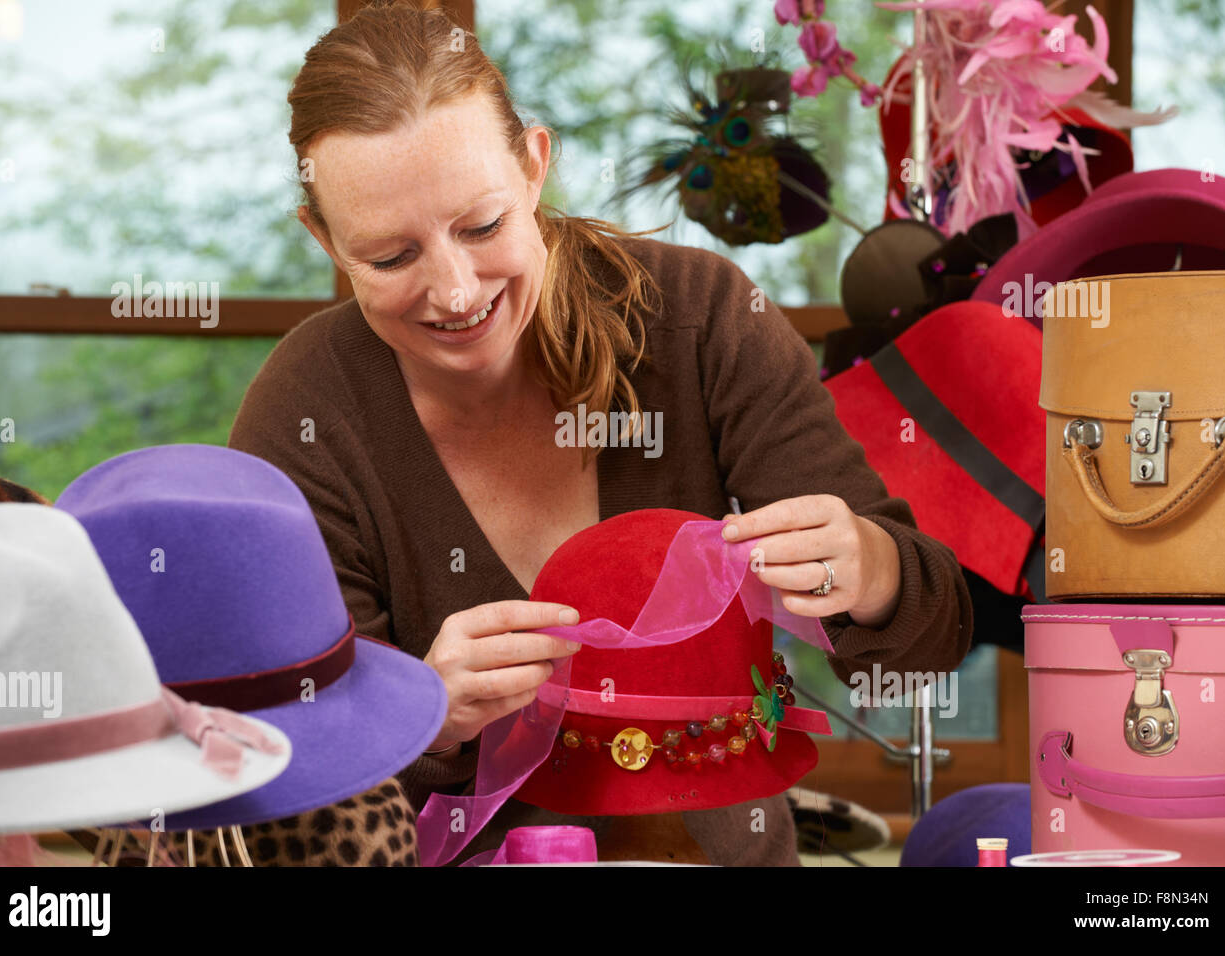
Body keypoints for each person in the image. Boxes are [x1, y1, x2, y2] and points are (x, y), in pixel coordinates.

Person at [228, 0, 973, 866]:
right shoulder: (308, 410)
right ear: (323, 238)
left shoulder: (702, 321)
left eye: (483, 226)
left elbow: (931, 644)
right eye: (391, 258)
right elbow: (284, 781)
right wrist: (420, 713)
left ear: (535, 165)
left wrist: (872, 570)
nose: (458, 290)